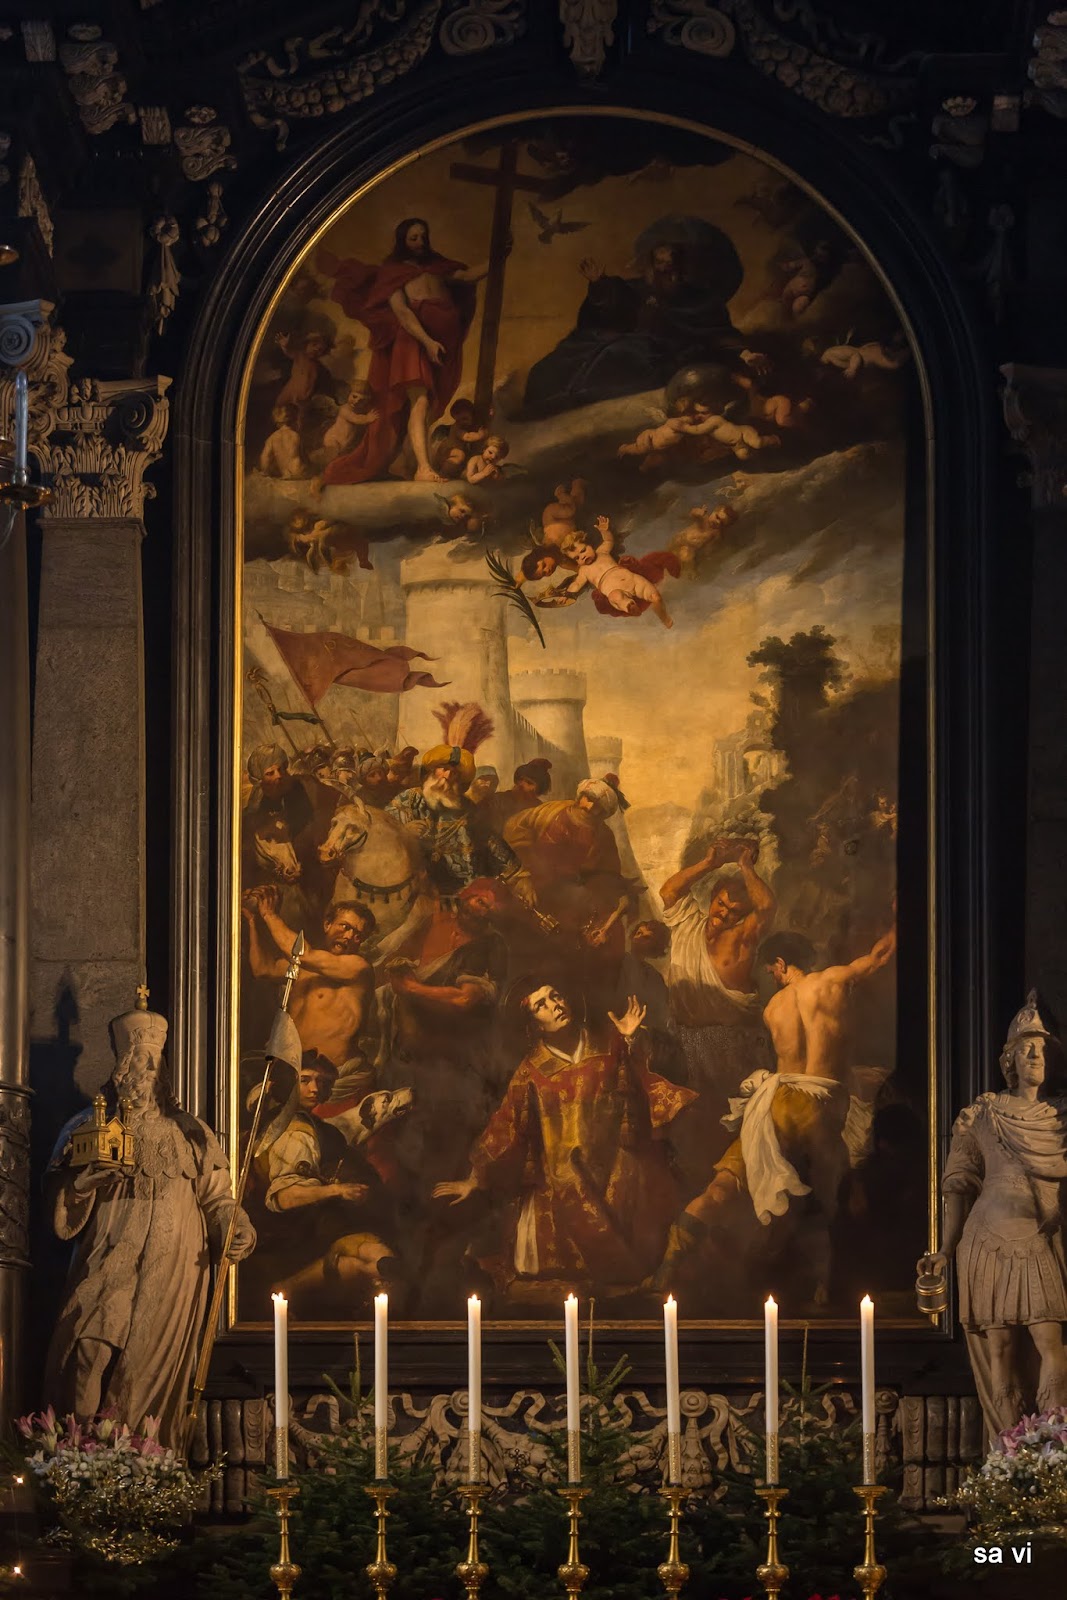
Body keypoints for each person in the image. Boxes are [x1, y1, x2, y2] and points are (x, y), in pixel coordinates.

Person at [44, 994, 256, 1447]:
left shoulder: (192, 1133)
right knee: (88, 1346)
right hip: (110, 1254)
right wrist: (84, 1184)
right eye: (137, 1060)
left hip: (173, 1269)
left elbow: (218, 1200)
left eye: (153, 1062)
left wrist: (235, 1227)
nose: (145, 1071)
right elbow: (59, 1203)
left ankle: (140, 1462)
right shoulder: (86, 1126)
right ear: (119, 1067)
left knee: (143, 1371)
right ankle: (76, 1457)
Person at [655, 922, 896, 1301]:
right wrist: (898, 921)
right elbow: (880, 956)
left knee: (723, 1188)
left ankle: (665, 1272)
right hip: (818, 1106)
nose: (771, 978)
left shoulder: (772, 1010)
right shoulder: (833, 981)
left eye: (771, 970)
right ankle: (825, 1291)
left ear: (782, 963)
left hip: (776, 1103)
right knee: (826, 1201)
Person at [434, 983, 695, 1291]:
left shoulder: (610, 1043)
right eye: (541, 1005)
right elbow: (507, 1125)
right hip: (564, 1176)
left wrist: (631, 1038)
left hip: (616, 1166)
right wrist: (475, 1178)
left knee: (642, 1233)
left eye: (555, 995)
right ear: (534, 1025)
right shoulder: (531, 1072)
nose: (555, 1005)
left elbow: (643, 1077)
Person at [918, 990, 1067, 1436]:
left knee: (1051, 1342)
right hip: (986, 1240)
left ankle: (1053, 1448)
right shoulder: (982, 1113)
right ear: (1010, 1060)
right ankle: (1009, 1449)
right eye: (1026, 1049)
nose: (1034, 1056)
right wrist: (945, 1250)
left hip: (1040, 1239)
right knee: (999, 1349)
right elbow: (958, 1184)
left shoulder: (1060, 1117)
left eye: (1041, 1049)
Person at [320, 219, 494, 484]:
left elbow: (466, 276)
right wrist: (427, 341)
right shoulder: (393, 272)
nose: (420, 242)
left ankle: (410, 462)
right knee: (420, 401)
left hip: (440, 341)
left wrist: (498, 257)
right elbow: (402, 312)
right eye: (414, 238)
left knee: (429, 404)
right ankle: (423, 468)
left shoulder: (436, 266)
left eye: (423, 236)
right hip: (412, 340)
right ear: (403, 240)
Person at [523, 225, 748, 417]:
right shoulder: (642, 287)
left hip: (659, 354)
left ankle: (566, 401)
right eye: (658, 262)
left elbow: (717, 333)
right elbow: (618, 302)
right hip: (621, 340)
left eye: (668, 265)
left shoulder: (698, 300)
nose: (662, 269)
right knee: (555, 363)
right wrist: (600, 284)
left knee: (615, 355)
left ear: (681, 268)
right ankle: (539, 403)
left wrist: (742, 353)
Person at [658, 838, 776, 1182]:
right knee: (689, 1126)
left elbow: (766, 907)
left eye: (733, 911)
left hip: (730, 1045)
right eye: (720, 904)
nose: (723, 913)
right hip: (683, 1040)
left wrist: (745, 866)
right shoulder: (687, 923)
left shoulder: (741, 939)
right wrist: (709, 863)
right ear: (712, 898)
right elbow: (668, 891)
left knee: (731, 1126)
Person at [257, 1050, 395, 1307]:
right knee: (363, 1266)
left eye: (321, 1082)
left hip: (328, 1226)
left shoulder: (314, 1126)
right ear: (287, 1084)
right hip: (295, 1234)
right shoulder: (294, 1132)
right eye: (305, 1080)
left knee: (381, 1257)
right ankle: (285, 1289)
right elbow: (283, 1197)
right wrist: (338, 1191)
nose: (315, 1088)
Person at [243, 889, 377, 1093]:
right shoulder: (303, 968)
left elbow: (302, 953)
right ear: (327, 924)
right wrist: (253, 922)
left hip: (331, 1078)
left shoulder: (358, 968)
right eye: (345, 927)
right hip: (293, 1071)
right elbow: (263, 968)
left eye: (358, 935)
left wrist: (269, 915)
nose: (350, 936)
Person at [387, 744, 524, 898]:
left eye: (454, 773)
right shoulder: (409, 798)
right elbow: (380, 832)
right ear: (432, 771)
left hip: (461, 892)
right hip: (413, 887)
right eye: (443, 769)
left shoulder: (468, 809)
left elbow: (491, 841)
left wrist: (519, 876)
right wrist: (404, 831)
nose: (447, 776)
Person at [258, 402, 306, 479]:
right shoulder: (295, 435)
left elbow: (265, 457)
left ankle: (285, 473)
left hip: (284, 472)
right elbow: (303, 455)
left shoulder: (272, 438)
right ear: (294, 421)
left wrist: (265, 471)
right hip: (297, 471)